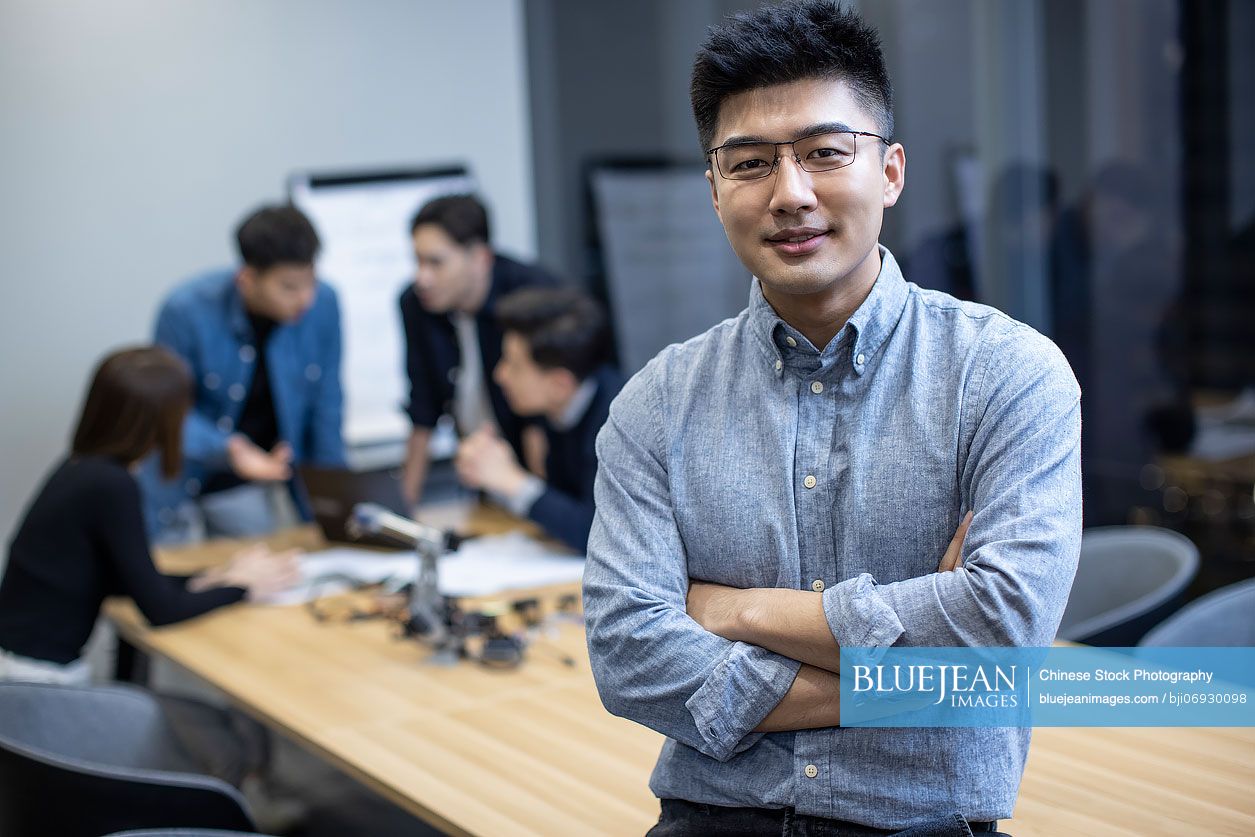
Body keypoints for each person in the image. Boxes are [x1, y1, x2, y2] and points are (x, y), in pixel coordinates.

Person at [582, 3, 1082, 836]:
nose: (790, 193)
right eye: (749, 163)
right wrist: (909, 677)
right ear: (713, 191)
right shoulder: (656, 400)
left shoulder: (1005, 373)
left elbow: (1001, 629)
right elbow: (628, 651)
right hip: (709, 817)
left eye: (823, 152)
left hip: (922, 822)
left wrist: (732, 610)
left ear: (888, 171)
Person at [0, 346, 299, 685]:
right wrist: (243, 587)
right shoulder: (112, 486)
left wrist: (214, 576)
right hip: (35, 682)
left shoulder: (80, 468)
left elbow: (131, 580)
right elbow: (160, 611)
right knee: (204, 727)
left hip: (18, 667)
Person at [143, 204, 345, 542]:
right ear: (247, 280)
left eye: (311, 282)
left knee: (259, 572)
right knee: (169, 573)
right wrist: (231, 449)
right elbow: (168, 410)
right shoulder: (185, 310)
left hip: (247, 486)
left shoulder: (325, 304)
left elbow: (326, 406)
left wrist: (338, 504)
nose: (305, 299)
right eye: (289, 287)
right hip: (185, 470)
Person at [398, 194, 560, 507]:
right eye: (417, 261)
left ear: (479, 258)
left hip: (539, 475)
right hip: (480, 479)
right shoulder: (415, 304)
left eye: (436, 262)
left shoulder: (533, 295)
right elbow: (423, 407)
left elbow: (542, 416)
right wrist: (401, 510)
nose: (422, 278)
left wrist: (540, 507)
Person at [455, 287, 622, 551]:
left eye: (514, 365)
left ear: (560, 384)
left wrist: (510, 480)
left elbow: (599, 534)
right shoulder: (554, 407)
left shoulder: (618, 424)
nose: (500, 375)